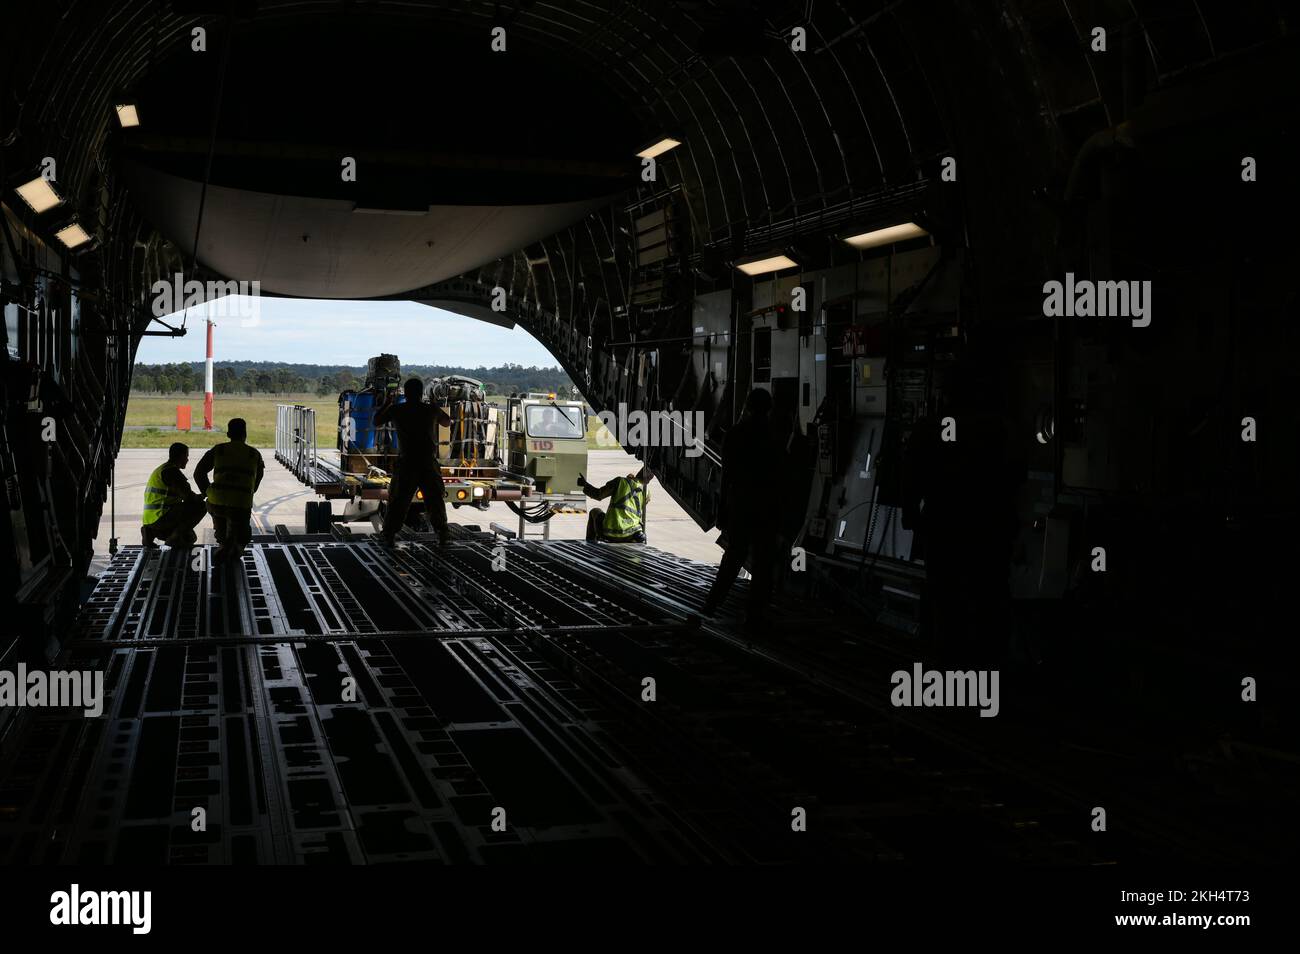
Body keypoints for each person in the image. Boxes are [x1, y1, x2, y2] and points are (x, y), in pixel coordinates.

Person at [901, 362, 1024, 668]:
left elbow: (912, 476)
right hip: (989, 529)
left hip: (944, 527)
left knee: (946, 598)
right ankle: (990, 663)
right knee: (989, 595)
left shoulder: (929, 428)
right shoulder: (998, 428)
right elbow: (1015, 477)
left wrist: (911, 514)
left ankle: (949, 663)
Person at [702, 388, 778, 630]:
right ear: (768, 409)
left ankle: (711, 606)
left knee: (733, 558)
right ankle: (755, 614)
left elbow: (727, 476)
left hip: (741, 505)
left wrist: (723, 509)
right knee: (764, 564)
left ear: (747, 406)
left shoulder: (736, 434)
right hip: (765, 507)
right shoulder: (772, 435)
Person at [376, 378, 452, 546]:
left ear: (406, 392)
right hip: (427, 462)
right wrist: (434, 404)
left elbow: (376, 421)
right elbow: (447, 422)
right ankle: (442, 533)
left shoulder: (397, 410)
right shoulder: (430, 410)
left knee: (398, 500)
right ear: (420, 393)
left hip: (407, 462)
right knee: (434, 500)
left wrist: (387, 402)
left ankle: (388, 534)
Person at [194, 418, 265, 563]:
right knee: (243, 536)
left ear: (228, 434)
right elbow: (257, 480)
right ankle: (235, 548)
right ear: (245, 434)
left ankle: (222, 542)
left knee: (220, 522)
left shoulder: (218, 449)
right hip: (241, 504)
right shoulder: (254, 454)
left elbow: (198, 473)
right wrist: (246, 492)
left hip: (217, 503)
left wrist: (208, 492)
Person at [141, 442, 207, 548]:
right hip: (161, 516)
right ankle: (173, 537)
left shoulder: (162, 469)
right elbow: (188, 497)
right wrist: (203, 495)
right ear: (181, 456)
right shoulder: (172, 472)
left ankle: (150, 532)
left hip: (151, 518)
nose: (187, 460)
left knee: (189, 538)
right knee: (202, 506)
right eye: (186, 456)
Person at [580, 464, 650, 543]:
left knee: (595, 511)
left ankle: (590, 544)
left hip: (610, 533)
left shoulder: (620, 481)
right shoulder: (646, 493)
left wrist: (585, 484)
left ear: (638, 473)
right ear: (648, 480)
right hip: (631, 534)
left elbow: (598, 495)